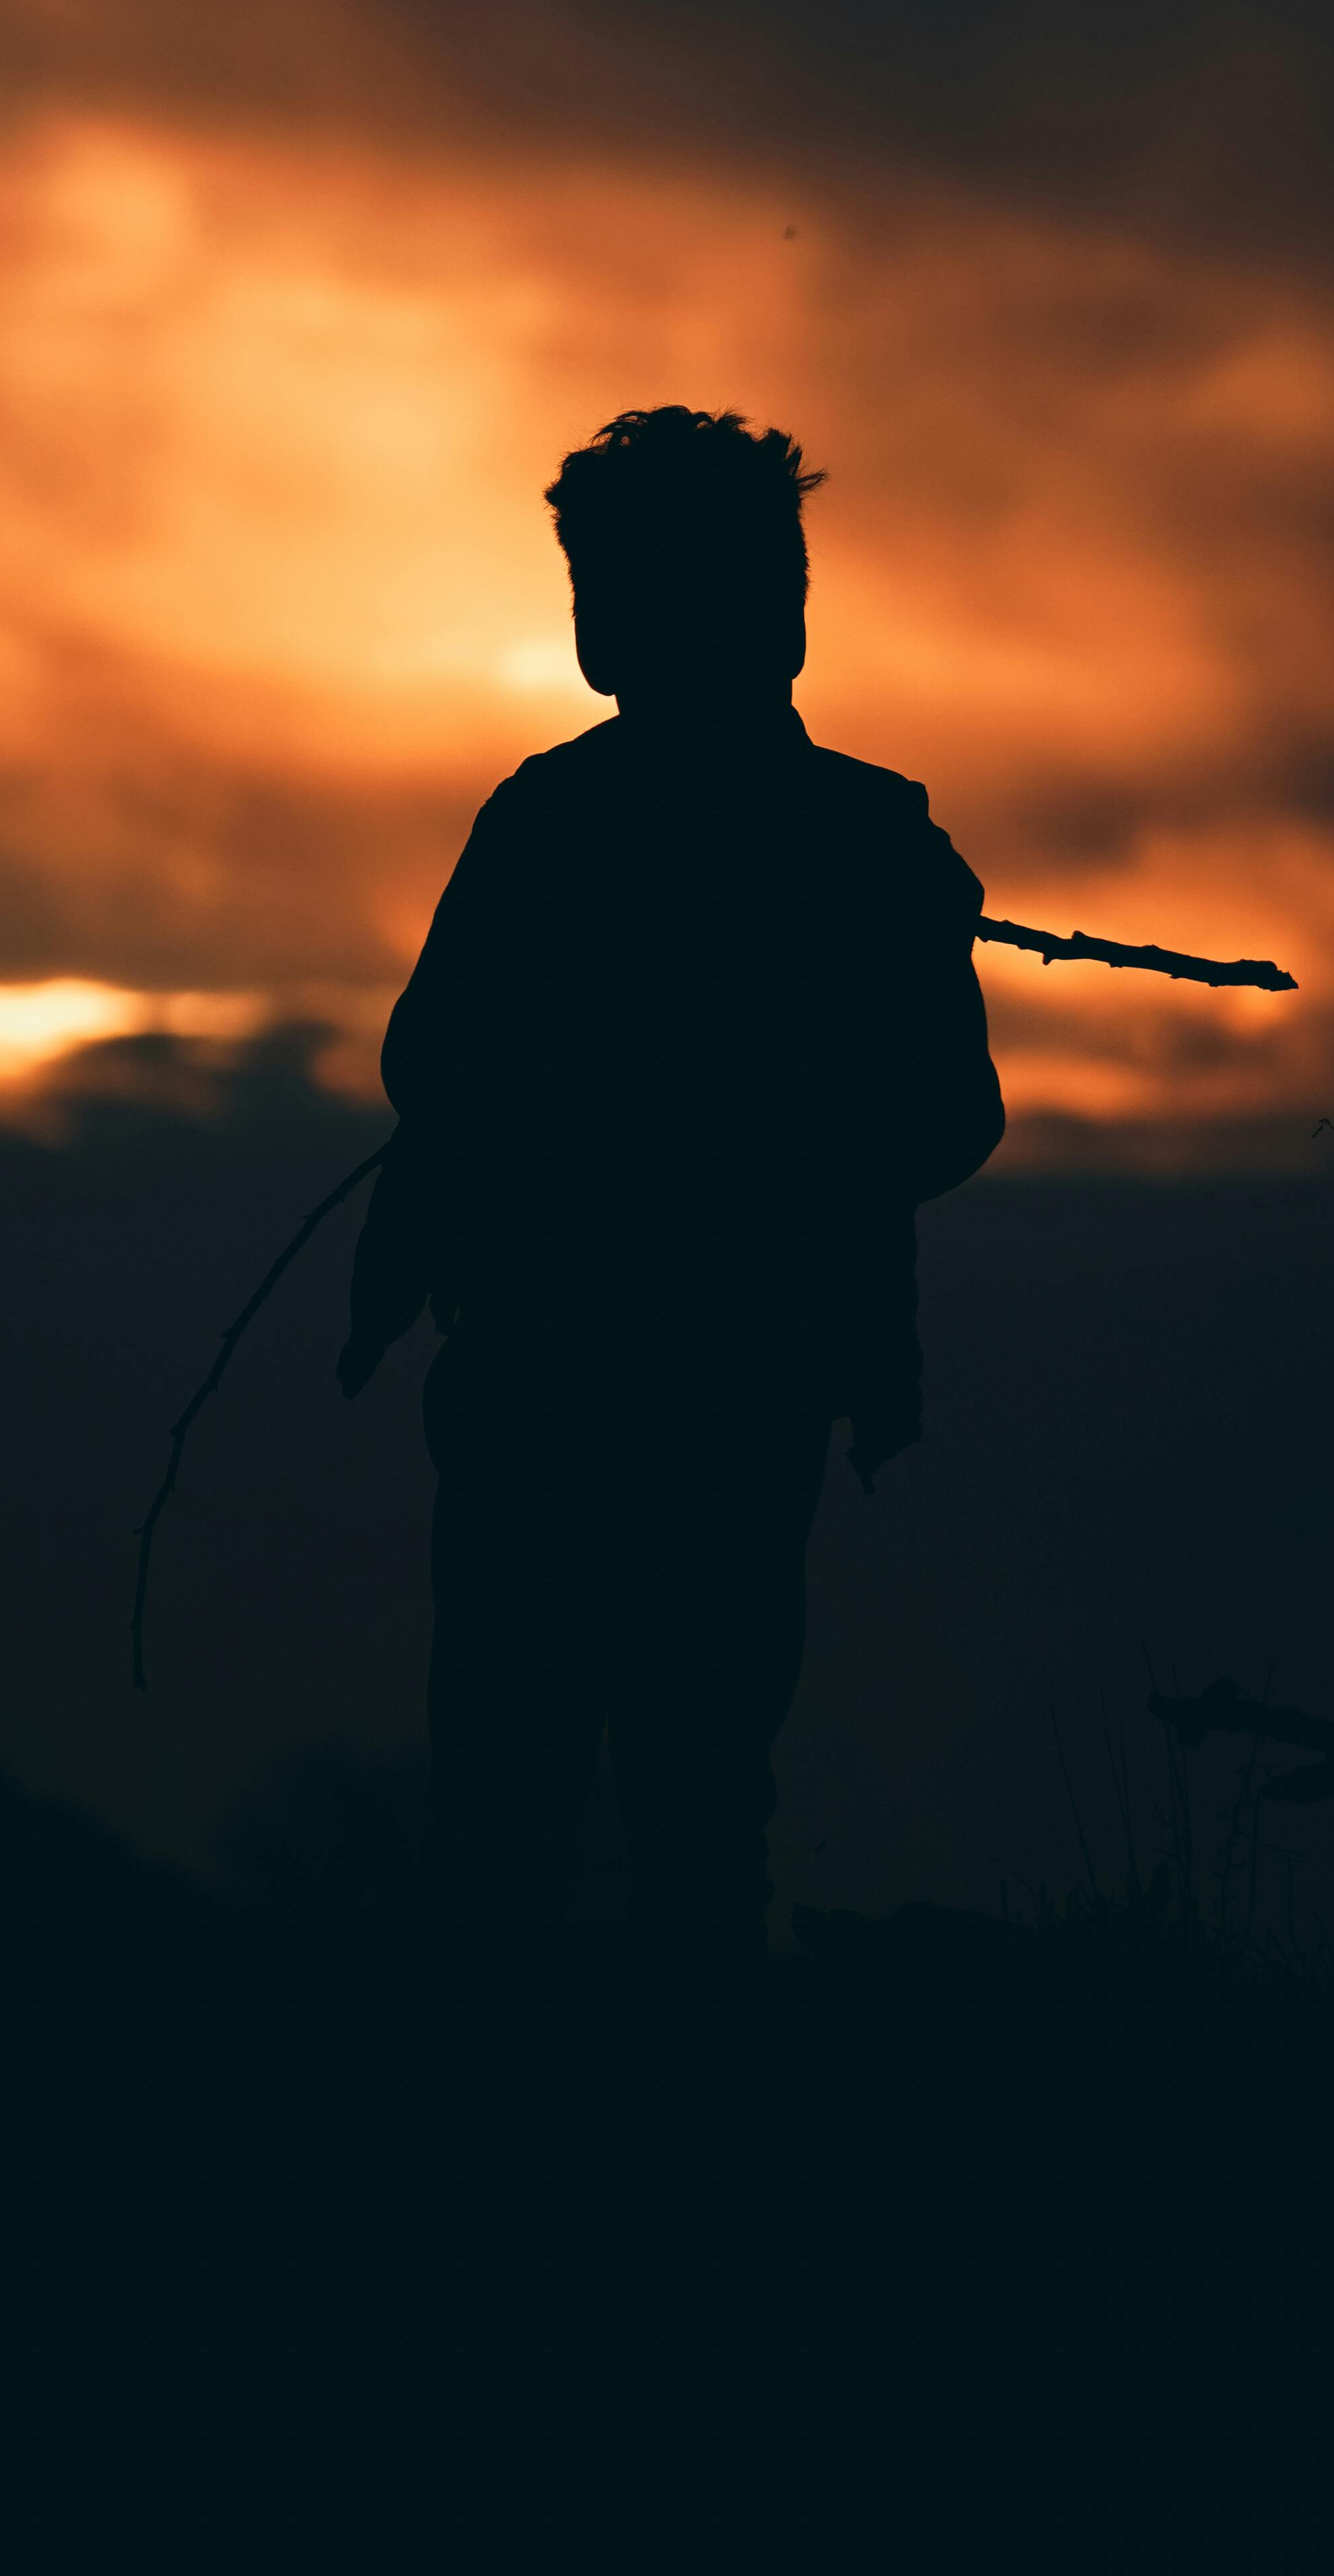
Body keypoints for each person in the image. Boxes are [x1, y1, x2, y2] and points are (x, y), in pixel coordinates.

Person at [338, 405, 1003, 1958]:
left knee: (536, 1808)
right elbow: (944, 1122)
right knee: (682, 1805)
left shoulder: (580, 822)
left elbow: (430, 1077)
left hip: (594, 1386)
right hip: (706, 1389)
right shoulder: (848, 839)